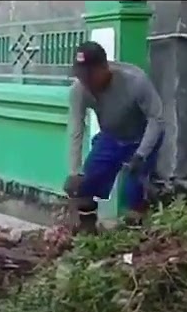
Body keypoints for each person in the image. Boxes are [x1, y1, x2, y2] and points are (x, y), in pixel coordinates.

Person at [64, 41, 166, 233]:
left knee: (133, 192)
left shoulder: (135, 81)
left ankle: (135, 238)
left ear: (104, 68)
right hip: (111, 137)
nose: (86, 81)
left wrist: (141, 154)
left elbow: (157, 119)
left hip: (141, 138)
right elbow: (76, 128)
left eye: (90, 76)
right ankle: (88, 235)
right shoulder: (80, 90)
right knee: (85, 185)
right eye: (81, 76)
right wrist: (74, 172)